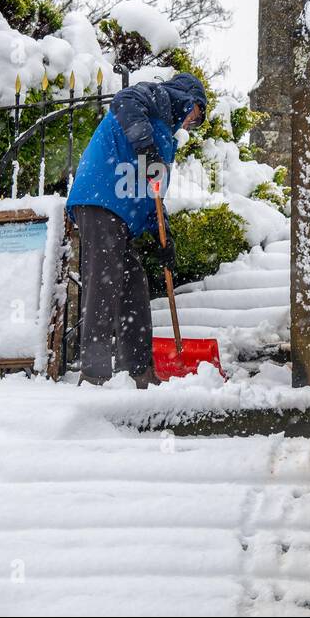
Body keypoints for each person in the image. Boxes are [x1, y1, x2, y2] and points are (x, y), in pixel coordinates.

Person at [66, 72, 207, 387]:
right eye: (196, 113)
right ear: (188, 98)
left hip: (122, 213)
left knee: (134, 287)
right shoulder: (154, 97)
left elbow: (152, 194)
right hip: (100, 197)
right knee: (103, 284)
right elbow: (125, 100)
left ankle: (139, 370)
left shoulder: (164, 142)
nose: (191, 123)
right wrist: (145, 147)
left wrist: (163, 237)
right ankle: (93, 374)